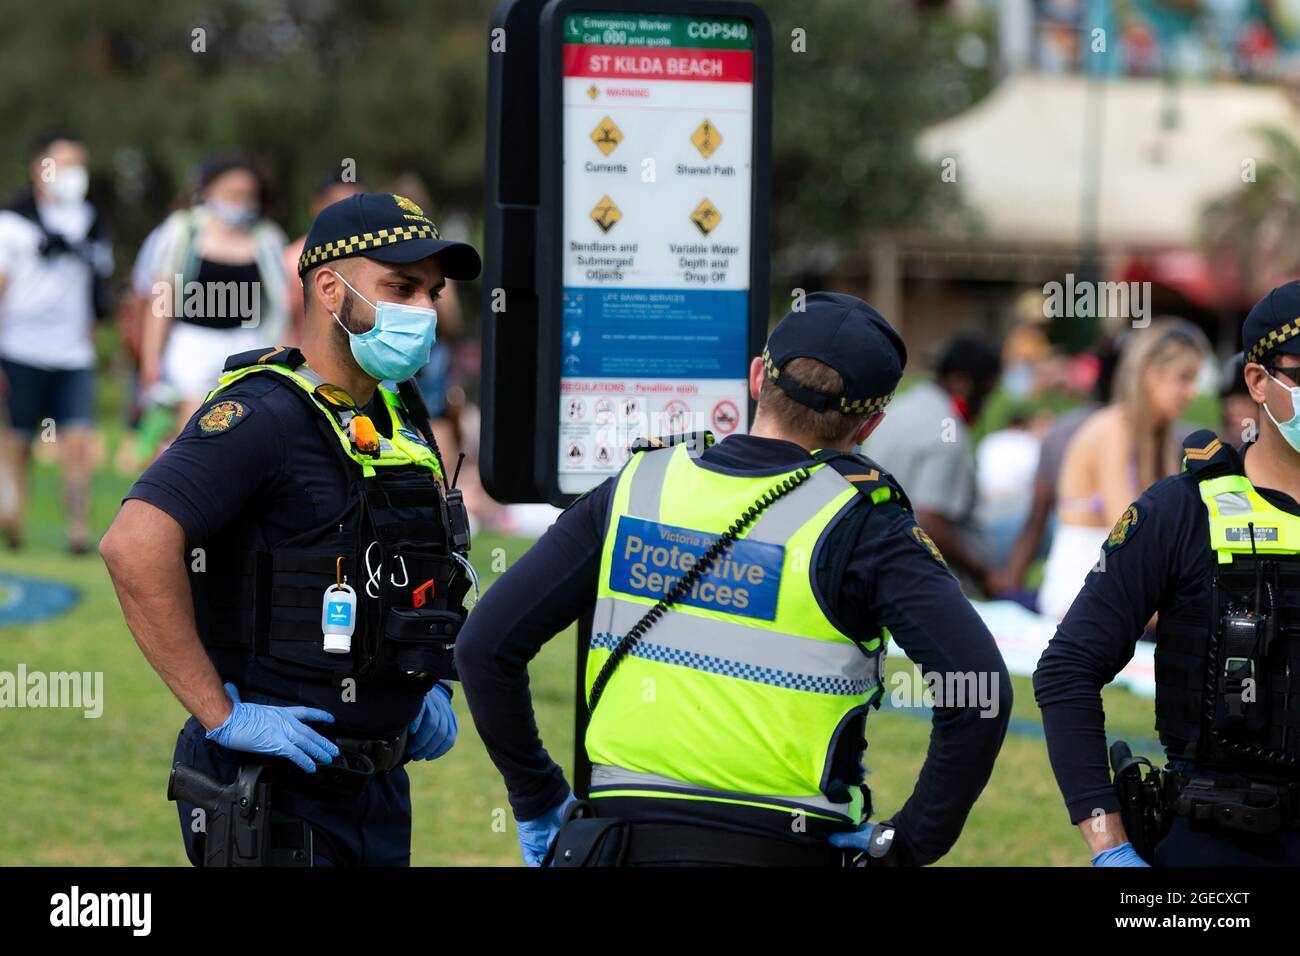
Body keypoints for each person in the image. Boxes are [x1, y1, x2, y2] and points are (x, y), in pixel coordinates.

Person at [456, 292, 1011, 867]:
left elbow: (484, 646)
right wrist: (906, 847)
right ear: (870, 424)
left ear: (755, 378)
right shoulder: (869, 524)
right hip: (786, 848)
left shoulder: (640, 486)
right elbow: (981, 692)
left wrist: (538, 797)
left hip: (619, 844)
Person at [99, 192, 482, 866]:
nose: (424, 310)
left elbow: (416, 573)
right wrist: (223, 715)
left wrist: (427, 689)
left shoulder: (401, 418)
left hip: (380, 789)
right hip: (272, 795)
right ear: (330, 289)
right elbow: (134, 545)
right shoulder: (265, 414)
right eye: (400, 287)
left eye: (432, 291)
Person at [1034, 280, 1300, 866]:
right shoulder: (1180, 511)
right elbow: (1068, 670)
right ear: (1258, 382)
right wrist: (1110, 847)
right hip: (1217, 846)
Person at [1037, 319, 1209, 621]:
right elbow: (1127, 534)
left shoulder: (1159, 438)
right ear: (1150, 373)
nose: (1192, 392)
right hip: (1080, 593)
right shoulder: (1112, 430)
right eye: (1184, 378)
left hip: (1120, 587)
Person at [0, 129, 113, 553]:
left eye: (78, 164)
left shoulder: (90, 220)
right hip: (20, 348)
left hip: (72, 353)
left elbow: (97, 286)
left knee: (78, 441)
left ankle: (79, 532)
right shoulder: (12, 223)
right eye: (64, 163)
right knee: (18, 441)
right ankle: (12, 518)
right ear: (39, 167)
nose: (73, 173)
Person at [139, 154, 290, 434]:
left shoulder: (267, 239)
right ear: (208, 191)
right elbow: (162, 297)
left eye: (247, 195)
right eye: (231, 193)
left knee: (239, 424)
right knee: (192, 426)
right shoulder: (184, 231)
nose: (239, 201)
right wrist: (151, 358)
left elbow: (281, 303)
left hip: (246, 343)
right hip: (191, 343)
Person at [861, 335, 1003, 595]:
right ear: (963, 384)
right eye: (987, 394)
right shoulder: (948, 431)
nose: (985, 406)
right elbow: (929, 523)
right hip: (925, 584)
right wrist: (984, 575)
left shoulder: (898, 408)